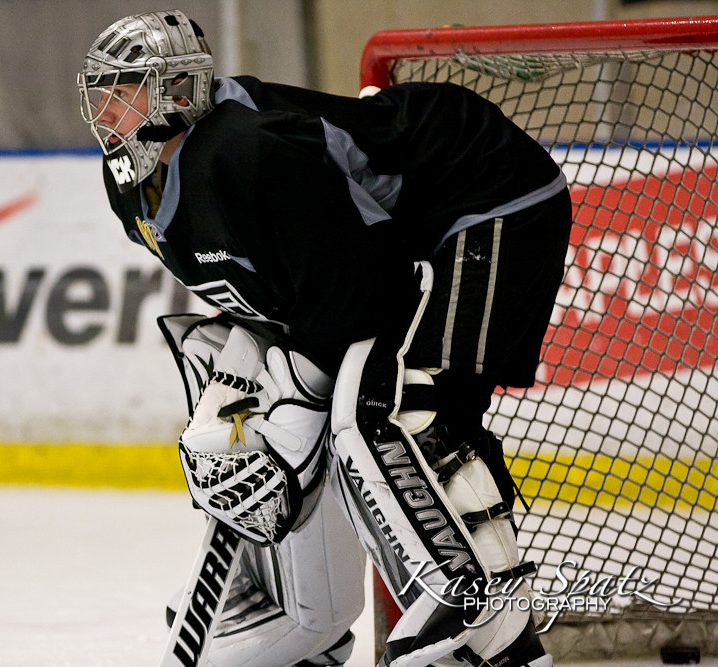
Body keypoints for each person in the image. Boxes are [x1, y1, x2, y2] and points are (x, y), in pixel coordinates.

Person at [78, 9, 572, 667]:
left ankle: (486, 619)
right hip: (406, 234)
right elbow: (286, 293)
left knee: (394, 408)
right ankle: (299, 614)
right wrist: (252, 400)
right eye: (102, 90)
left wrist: (294, 402)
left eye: (127, 87)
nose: (107, 107)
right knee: (269, 422)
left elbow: (368, 289)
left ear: (177, 92)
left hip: (487, 192)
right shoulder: (134, 187)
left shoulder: (245, 153)